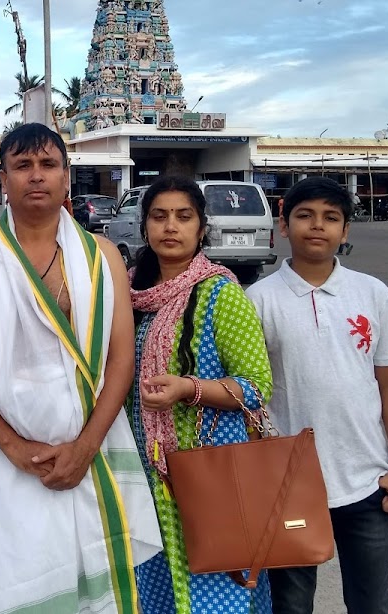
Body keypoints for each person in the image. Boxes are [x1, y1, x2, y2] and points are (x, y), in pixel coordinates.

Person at [0, 123, 163, 613]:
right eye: (23, 166)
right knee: (20, 585)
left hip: (93, 449)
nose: (36, 176)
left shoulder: (101, 256)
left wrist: (86, 446)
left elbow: (121, 359)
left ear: (66, 176)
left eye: (48, 164)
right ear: (4, 179)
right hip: (8, 457)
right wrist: (12, 445)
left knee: (97, 590)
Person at [246, 177, 388, 614]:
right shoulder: (257, 300)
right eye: (305, 215)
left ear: (345, 229)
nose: (317, 226)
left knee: (374, 604)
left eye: (331, 217)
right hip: (288, 484)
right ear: (284, 225)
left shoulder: (372, 293)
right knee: (291, 606)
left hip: (367, 481)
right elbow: (249, 398)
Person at [125, 175, 275, 612]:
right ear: (145, 227)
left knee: (216, 592)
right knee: (154, 587)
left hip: (210, 473)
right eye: (159, 216)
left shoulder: (220, 293)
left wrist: (188, 388)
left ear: (201, 228)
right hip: (147, 472)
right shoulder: (130, 294)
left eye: (183, 216)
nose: (171, 226)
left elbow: (256, 386)